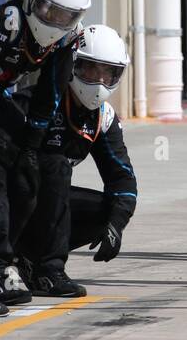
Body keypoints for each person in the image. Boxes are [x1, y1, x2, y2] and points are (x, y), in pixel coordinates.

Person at [0, 0, 91, 304]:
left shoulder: (68, 39)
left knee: (45, 167)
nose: (55, 22)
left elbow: (49, 93)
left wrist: (32, 144)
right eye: (49, 11)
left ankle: (42, 265)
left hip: (1, 101)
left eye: (65, 16)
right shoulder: (7, 22)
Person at [15, 24, 137, 295]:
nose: (99, 81)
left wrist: (116, 225)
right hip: (10, 198)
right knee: (56, 168)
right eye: (92, 69)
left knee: (106, 211)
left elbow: (123, 181)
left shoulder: (103, 118)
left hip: (42, 203)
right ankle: (47, 269)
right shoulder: (40, 100)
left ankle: (29, 259)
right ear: (74, 66)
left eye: (109, 73)